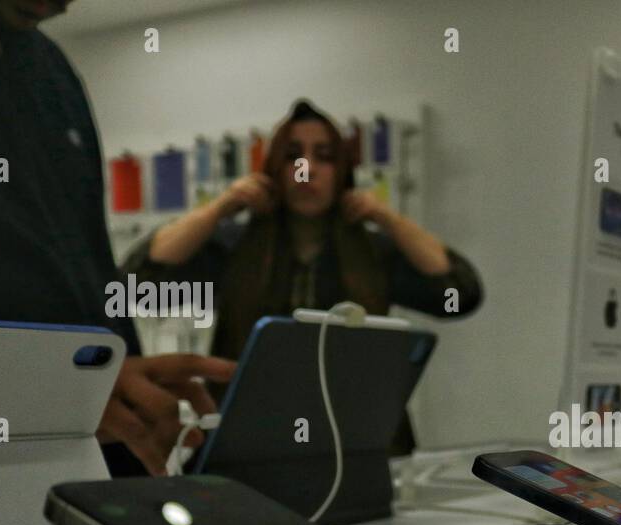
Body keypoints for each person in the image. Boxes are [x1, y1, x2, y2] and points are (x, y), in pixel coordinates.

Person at [0, 0, 236, 477]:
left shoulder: (51, 71)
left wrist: (123, 381)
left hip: (69, 460)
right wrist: (46, 390)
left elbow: (89, 258)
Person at [125, 99, 483, 451]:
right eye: (292, 155)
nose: (306, 169)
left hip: (361, 440)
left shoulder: (372, 253)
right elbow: (136, 286)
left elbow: (458, 292)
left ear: (342, 171)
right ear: (273, 170)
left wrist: (386, 217)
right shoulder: (235, 248)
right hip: (252, 441)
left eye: (324, 157)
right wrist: (220, 207)